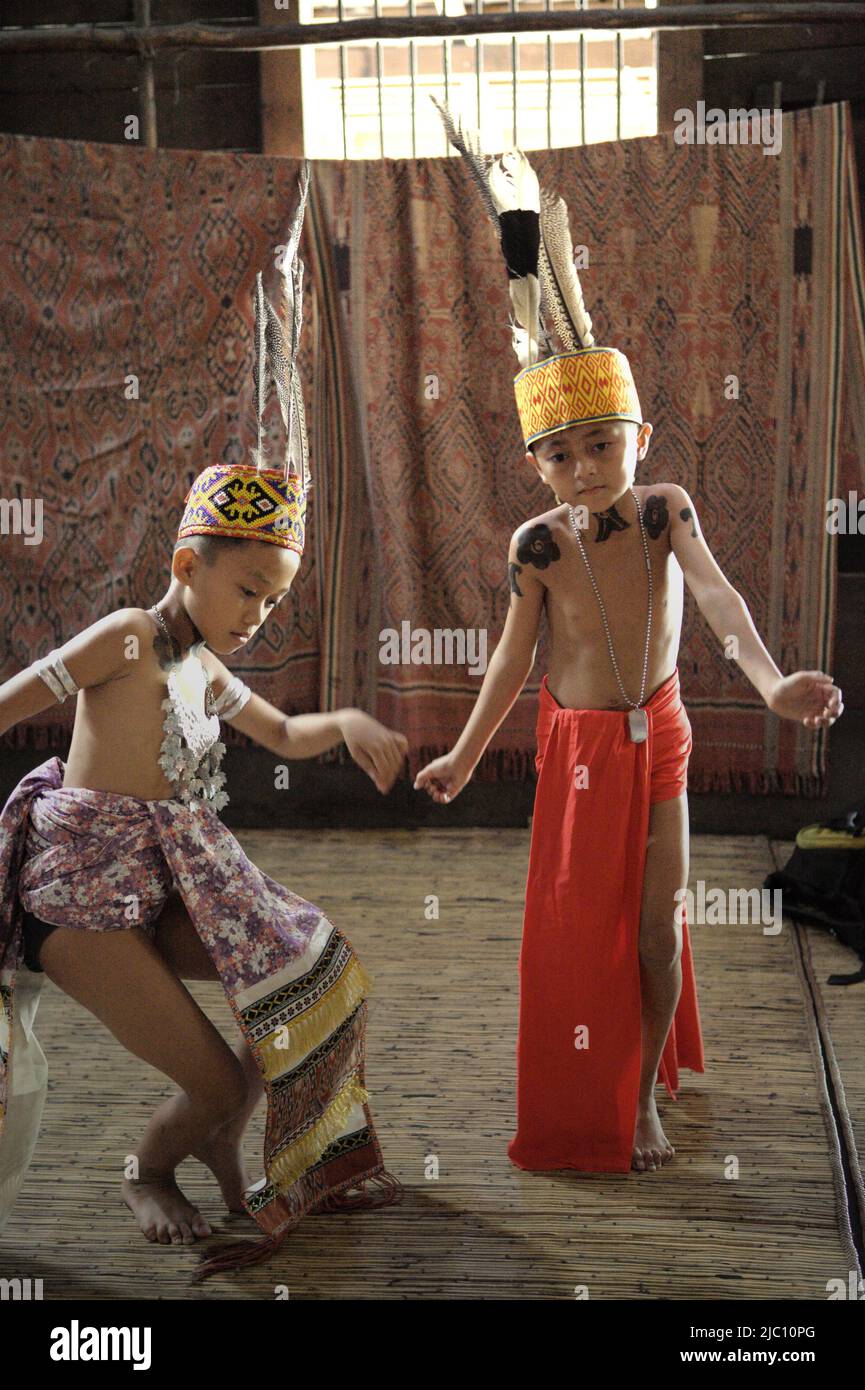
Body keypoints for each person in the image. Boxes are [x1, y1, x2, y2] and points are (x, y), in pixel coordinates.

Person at [415, 113, 844, 1174]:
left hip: (661, 735)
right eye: (560, 456)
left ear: (637, 440)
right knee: (581, 938)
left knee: (655, 933)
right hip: (574, 751)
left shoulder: (662, 511)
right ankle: (588, 1081)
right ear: (536, 464)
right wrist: (468, 753)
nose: (584, 468)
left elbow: (719, 600)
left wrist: (773, 678)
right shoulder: (536, 546)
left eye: (601, 444)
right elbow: (512, 659)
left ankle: (645, 1091)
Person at [0, 164, 405, 1278]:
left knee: (294, 990)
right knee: (221, 1078)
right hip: (79, 898)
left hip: (159, 878)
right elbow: (12, 703)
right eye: (245, 591)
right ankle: (151, 1167)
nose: (256, 615)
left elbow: (283, 733)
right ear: (189, 561)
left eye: (275, 599)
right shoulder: (128, 637)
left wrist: (356, 720)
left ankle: (253, 1166)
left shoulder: (209, 674)